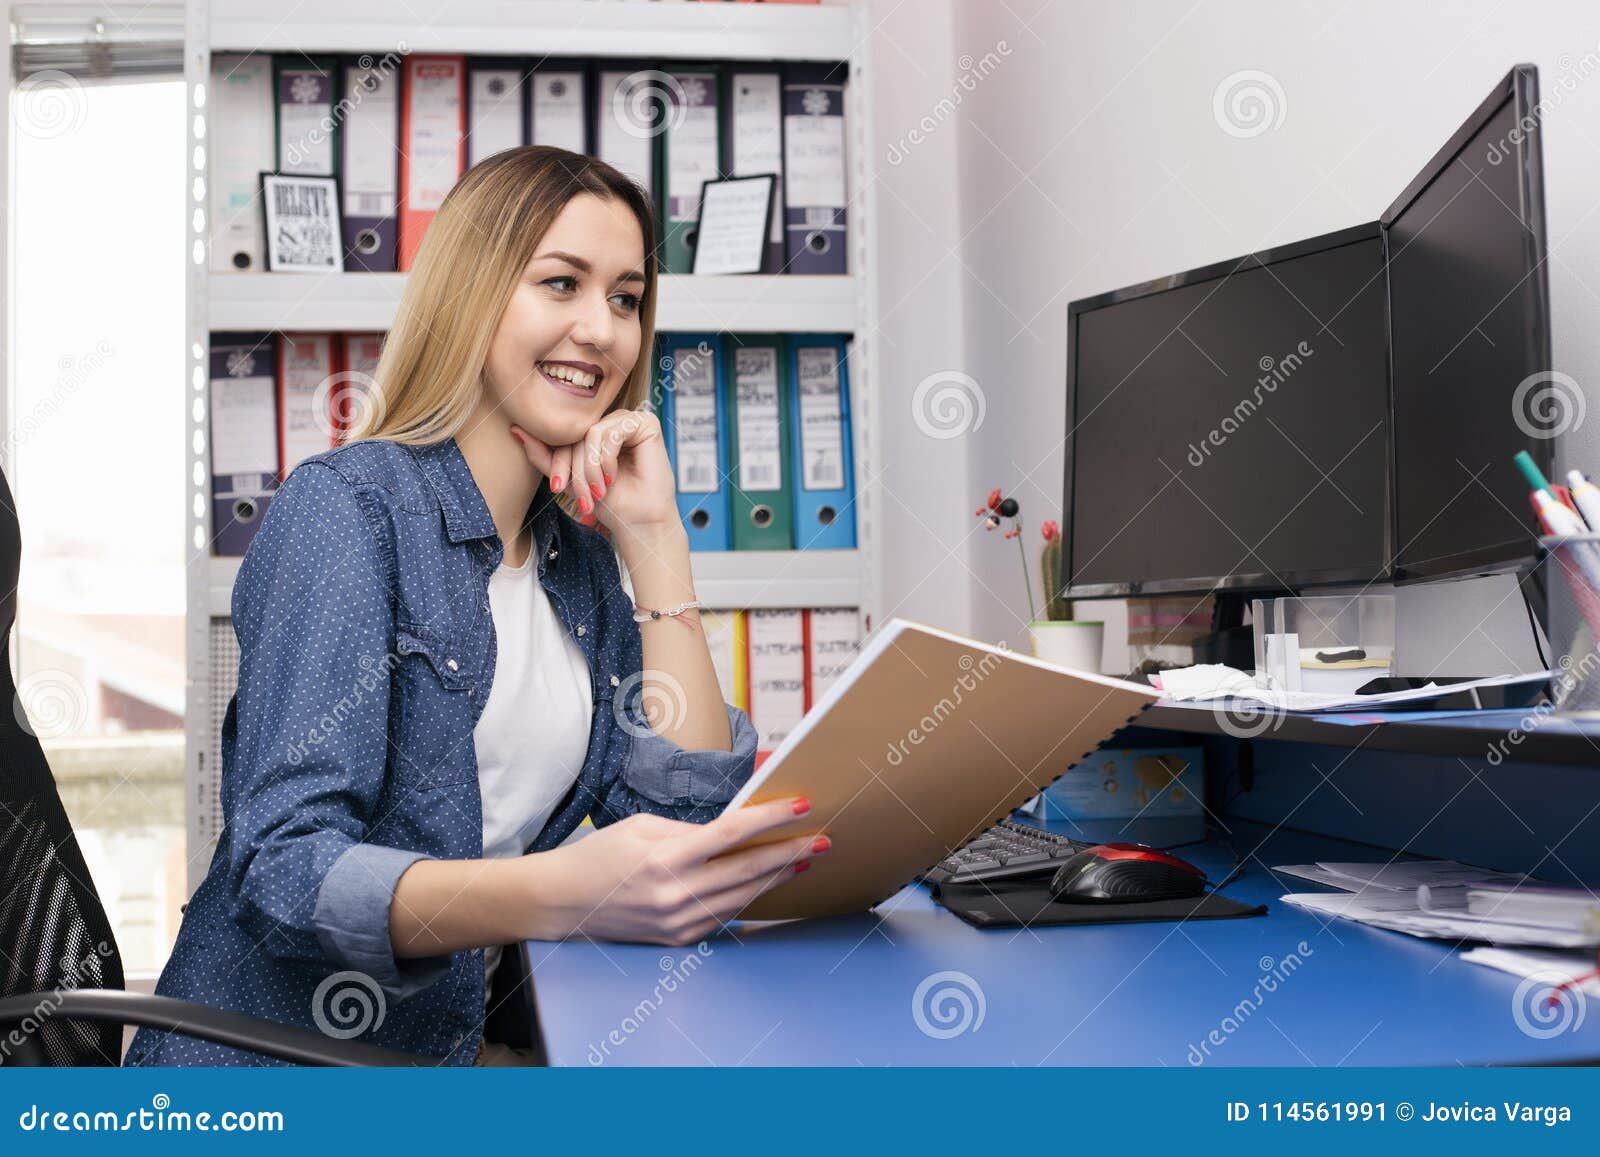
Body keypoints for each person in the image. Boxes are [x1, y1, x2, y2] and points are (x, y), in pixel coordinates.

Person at [126, 147, 830, 1067]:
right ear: (473, 291)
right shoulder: (347, 515)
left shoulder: (575, 560)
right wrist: (554, 890)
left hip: (435, 1059)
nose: (602, 330)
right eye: (561, 283)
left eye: (625, 298)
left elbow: (684, 826)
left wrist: (656, 542)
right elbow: (285, 872)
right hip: (270, 1070)